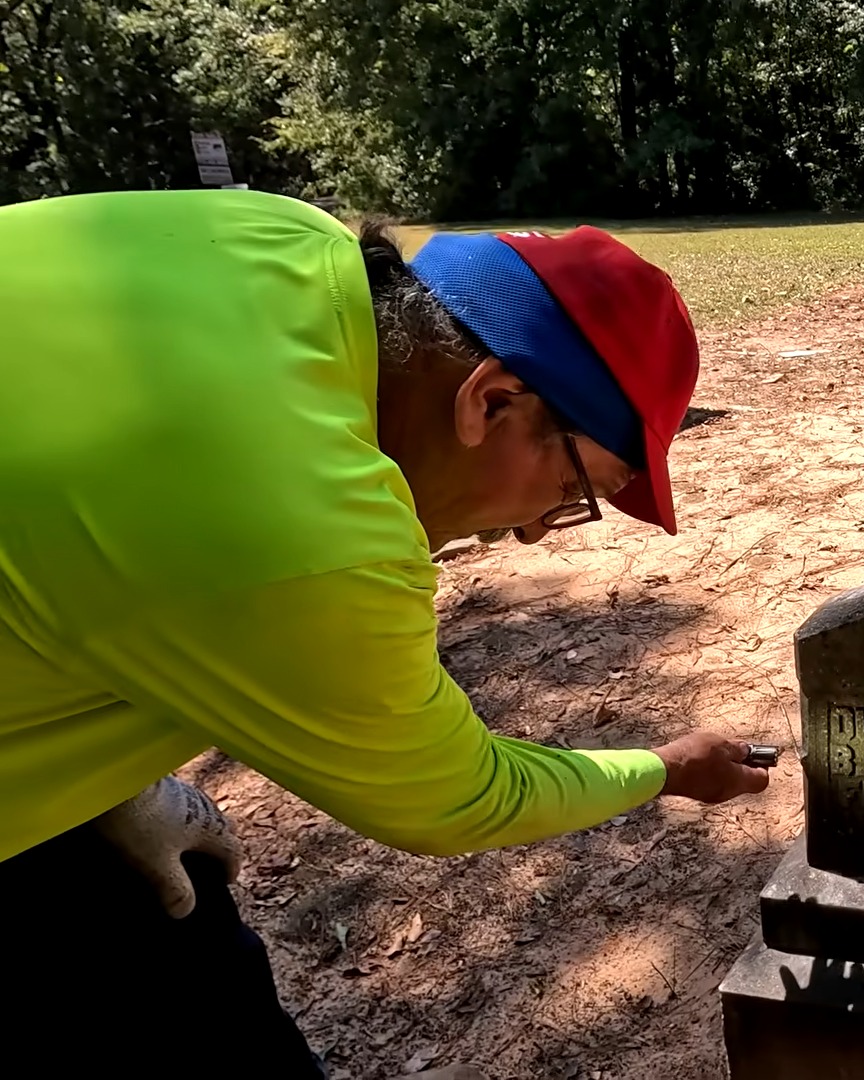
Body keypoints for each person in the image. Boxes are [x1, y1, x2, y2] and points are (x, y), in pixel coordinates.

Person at [0, 188, 770, 1077]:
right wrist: (669, 767)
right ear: (492, 398)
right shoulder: (321, 530)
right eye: (572, 494)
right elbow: (461, 795)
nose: (530, 534)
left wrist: (97, 777)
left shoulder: (281, 233)